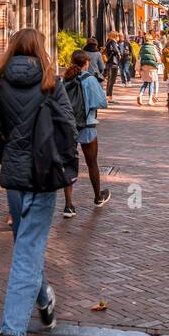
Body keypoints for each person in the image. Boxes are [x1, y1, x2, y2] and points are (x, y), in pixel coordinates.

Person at [0, 28, 78, 336]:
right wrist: (65, 166)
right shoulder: (51, 82)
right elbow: (67, 126)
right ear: (40, 48)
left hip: (15, 179)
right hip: (42, 176)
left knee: (25, 246)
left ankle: (45, 300)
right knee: (28, 251)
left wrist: (8, 157)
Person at [61, 49, 111, 217]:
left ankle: (68, 205)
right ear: (86, 63)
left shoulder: (65, 79)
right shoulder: (90, 80)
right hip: (87, 125)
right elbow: (103, 103)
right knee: (92, 163)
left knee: (68, 164)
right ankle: (97, 197)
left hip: (68, 127)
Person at [136, 33, 162, 105]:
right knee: (151, 82)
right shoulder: (153, 47)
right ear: (150, 40)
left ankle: (140, 95)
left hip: (144, 66)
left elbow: (139, 57)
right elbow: (157, 57)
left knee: (145, 82)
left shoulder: (141, 47)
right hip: (152, 67)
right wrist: (159, 61)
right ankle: (150, 100)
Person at [103, 31, 121, 98]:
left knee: (111, 80)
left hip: (111, 62)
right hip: (112, 63)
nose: (119, 38)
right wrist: (119, 55)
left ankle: (109, 95)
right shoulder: (112, 42)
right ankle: (109, 95)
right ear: (115, 36)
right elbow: (116, 50)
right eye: (118, 36)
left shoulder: (109, 42)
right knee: (111, 80)